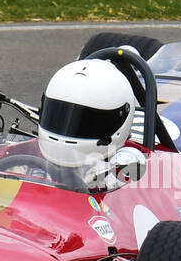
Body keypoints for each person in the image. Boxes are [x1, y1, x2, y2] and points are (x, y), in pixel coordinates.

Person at [38, 59, 140, 188]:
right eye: (57, 116)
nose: (66, 131)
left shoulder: (121, 176)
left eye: (87, 123)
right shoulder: (24, 159)